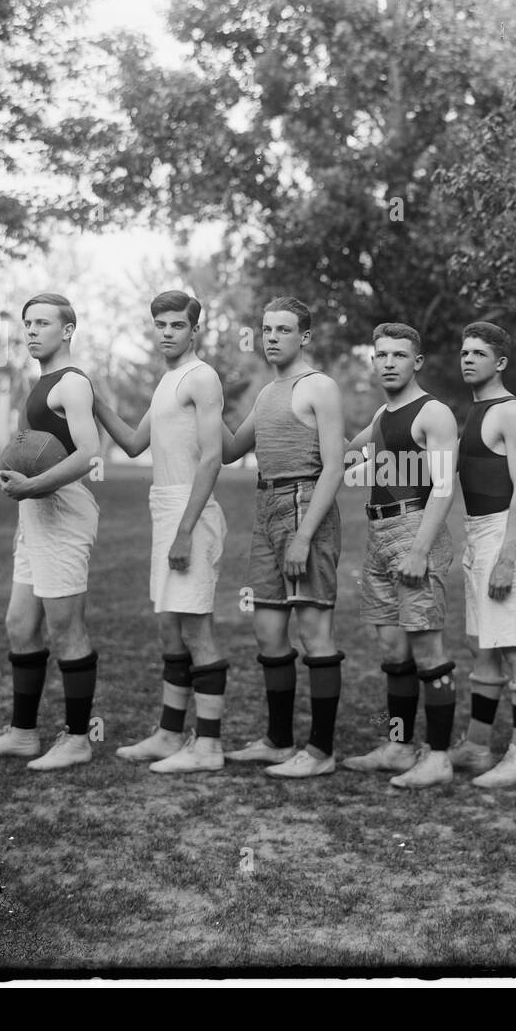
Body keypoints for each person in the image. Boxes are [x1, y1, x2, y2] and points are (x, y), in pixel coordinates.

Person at [92, 290, 230, 774]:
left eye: (177, 324)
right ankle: (170, 735)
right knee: (169, 628)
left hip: (191, 511)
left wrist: (186, 531)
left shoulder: (201, 377)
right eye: (161, 324)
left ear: (195, 330)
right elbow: (132, 443)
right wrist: (95, 400)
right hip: (164, 507)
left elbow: (213, 457)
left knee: (196, 626)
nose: (167, 332)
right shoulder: (167, 381)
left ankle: (208, 747)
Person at [0, 293, 100, 770]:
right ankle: (23, 734)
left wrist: (33, 486)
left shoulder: (72, 384)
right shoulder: (41, 382)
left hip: (62, 510)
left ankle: (78, 739)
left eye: (43, 323)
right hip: (35, 514)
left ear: (67, 330)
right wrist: (25, 502)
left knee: (66, 628)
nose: (32, 331)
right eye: (27, 323)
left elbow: (89, 453)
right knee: (20, 625)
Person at [221, 296, 347, 779]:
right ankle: (278, 740)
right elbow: (233, 450)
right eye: (266, 329)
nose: (271, 337)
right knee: (268, 630)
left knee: (315, 632)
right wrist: (206, 399)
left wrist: (303, 538)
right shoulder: (266, 392)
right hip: (266, 507)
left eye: (283, 329)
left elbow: (334, 467)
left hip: (305, 506)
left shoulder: (320, 387)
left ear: (304, 336)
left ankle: (320, 752)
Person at [339, 323, 460, 788]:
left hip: (415, 530)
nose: (388, 362)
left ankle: (441, 757)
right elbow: (347, 454)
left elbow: (444, 487)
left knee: (428, 648)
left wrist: (420, 549)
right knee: (393, 648)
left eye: (398, 355)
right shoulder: (381, 416)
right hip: (378, 530)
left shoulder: (434, 413)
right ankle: (399, 746)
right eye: (381, 355)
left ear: (417, 362)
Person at [447, 322, 516, 788]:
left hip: (510, 537)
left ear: (500, 362)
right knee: (483, 646)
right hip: (478, 534)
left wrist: (507, 558)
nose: (467, 358)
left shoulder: (511, 411)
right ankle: (476, 746)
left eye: (479, 353)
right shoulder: (475, 410)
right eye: (464, 352)